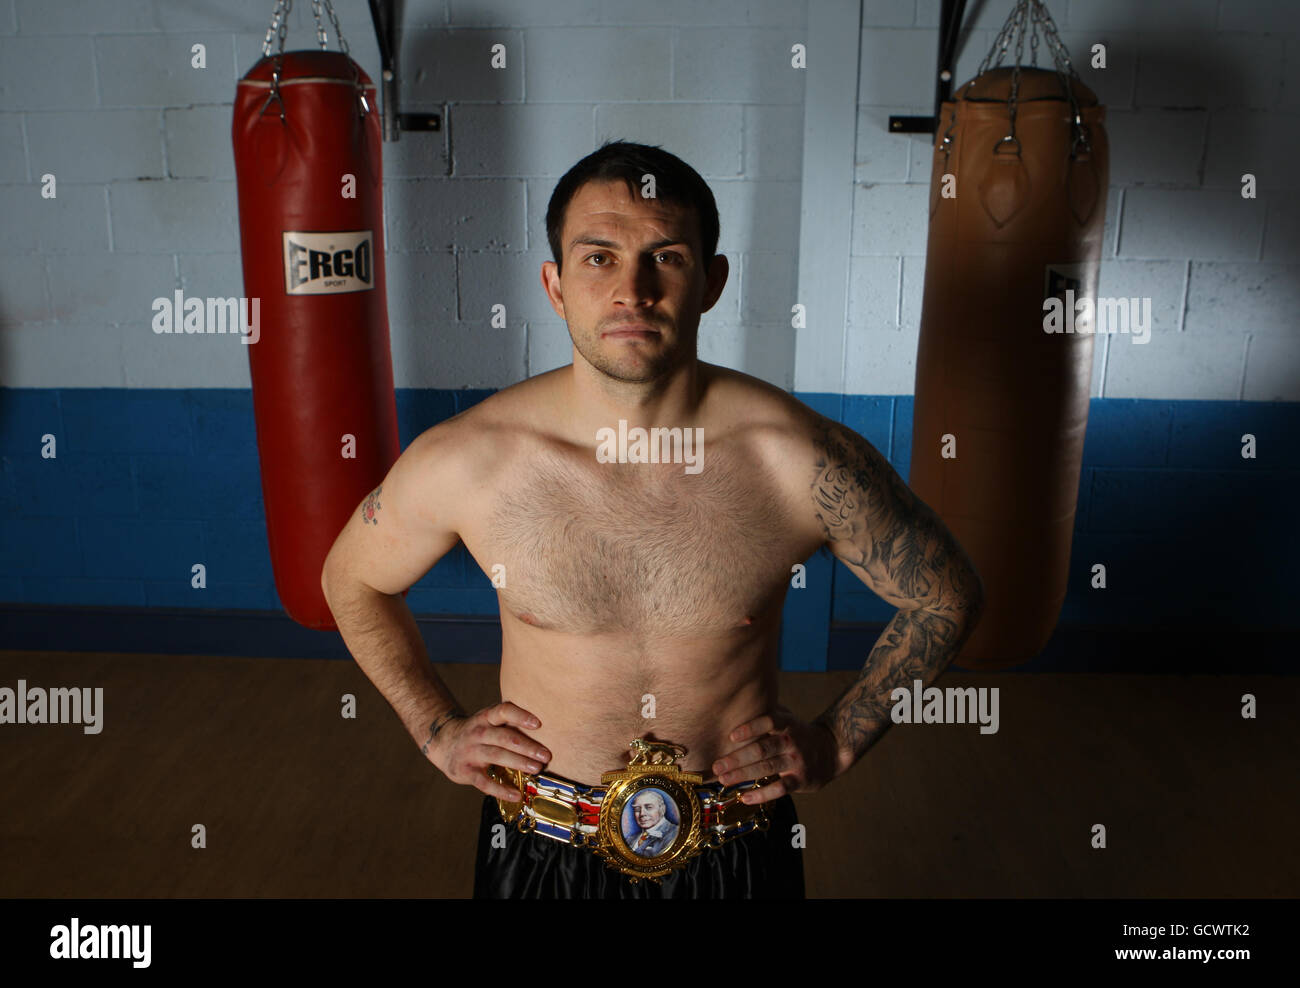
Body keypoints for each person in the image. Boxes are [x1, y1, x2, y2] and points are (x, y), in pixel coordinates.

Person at [320, 140, 984, 900]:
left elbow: (946, 594)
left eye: (664, 257)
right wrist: (436, 730)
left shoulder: (797, 459)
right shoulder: (472, 459)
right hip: (542, 845)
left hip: (733, 845)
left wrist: (837, 741)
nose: (631, 290)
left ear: (711, 281)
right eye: (597, 258)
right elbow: (351, 580)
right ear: (555, 285)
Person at [627, 790, 679, 858]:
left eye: (649, 807)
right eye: (637, 809)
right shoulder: (630, 840)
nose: (642, 813)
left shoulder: (675, 834)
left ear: (662, 809)